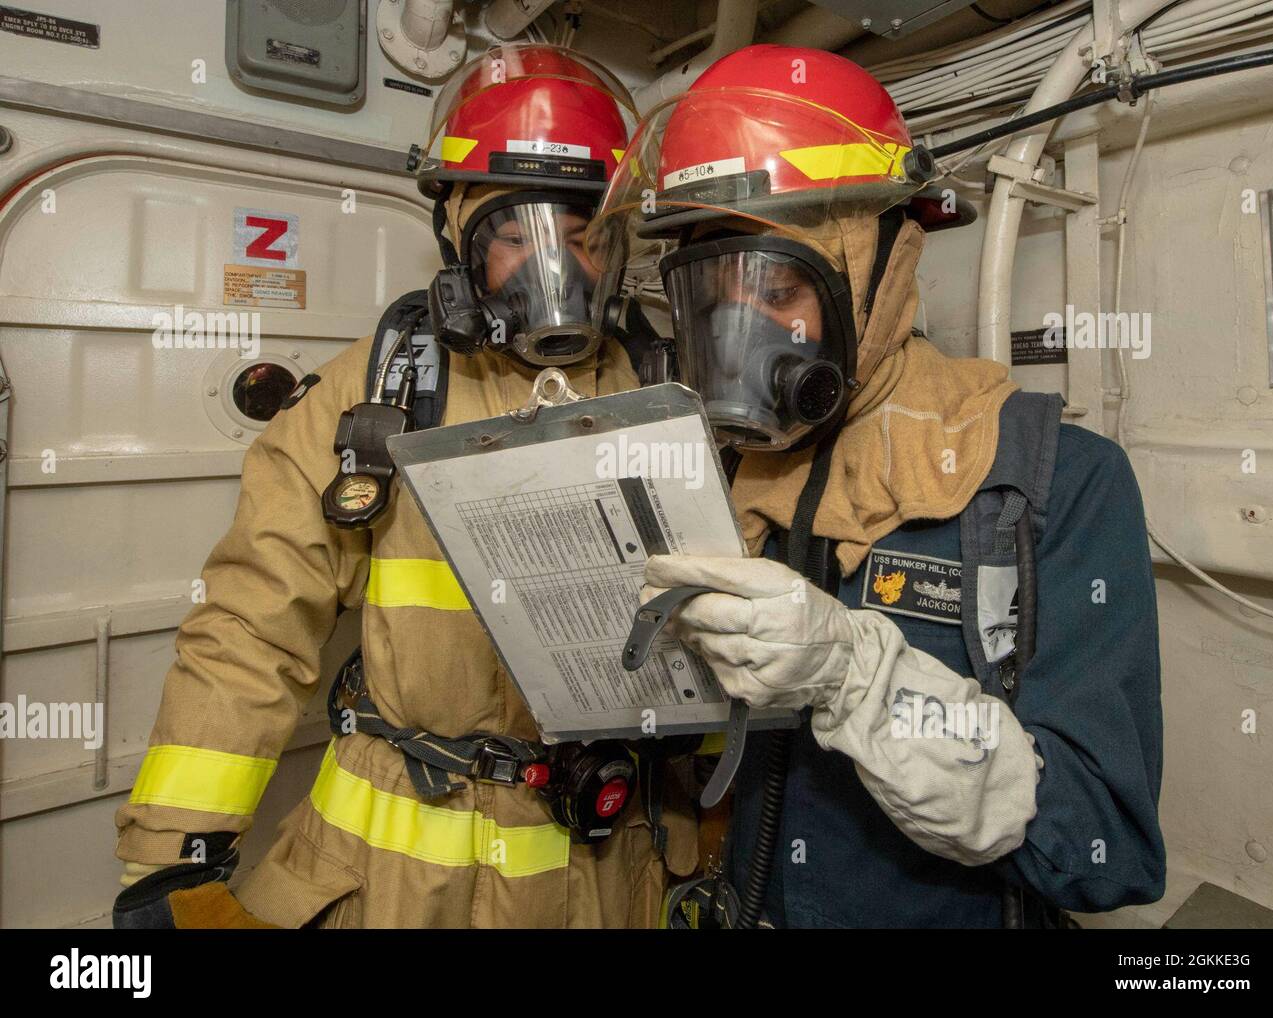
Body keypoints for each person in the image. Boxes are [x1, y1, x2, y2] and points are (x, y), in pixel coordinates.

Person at [112, 43, 697, 930]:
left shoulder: (666, 399)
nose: (558, 271)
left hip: (605, 870)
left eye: (587, 237)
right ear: (461, 237)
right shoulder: (376, 396)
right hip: (393, 879)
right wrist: (174, 856)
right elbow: (252, 626)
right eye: (518, 237)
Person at [592, 43, 1165, 928]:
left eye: (781, 287)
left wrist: (861, 682)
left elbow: (1106, 846)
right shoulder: (726, 476)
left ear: (882, 271)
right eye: (716, 302)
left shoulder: (1053, 483)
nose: (746, 341)